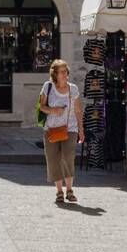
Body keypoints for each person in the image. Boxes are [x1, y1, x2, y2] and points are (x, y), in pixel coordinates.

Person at [38, 59, 85, 205]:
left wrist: (81, 129)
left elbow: (78, 110)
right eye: (62, 72)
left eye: (66, 72)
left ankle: (69, 190)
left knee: (68, 156)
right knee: (53, 159)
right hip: (51, 129)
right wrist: (53, 110)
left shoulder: (73, 89)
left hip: (69, 128)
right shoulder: (48, 87)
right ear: (55, 74)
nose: (66, 75)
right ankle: (59, 191)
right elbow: (41, 106)